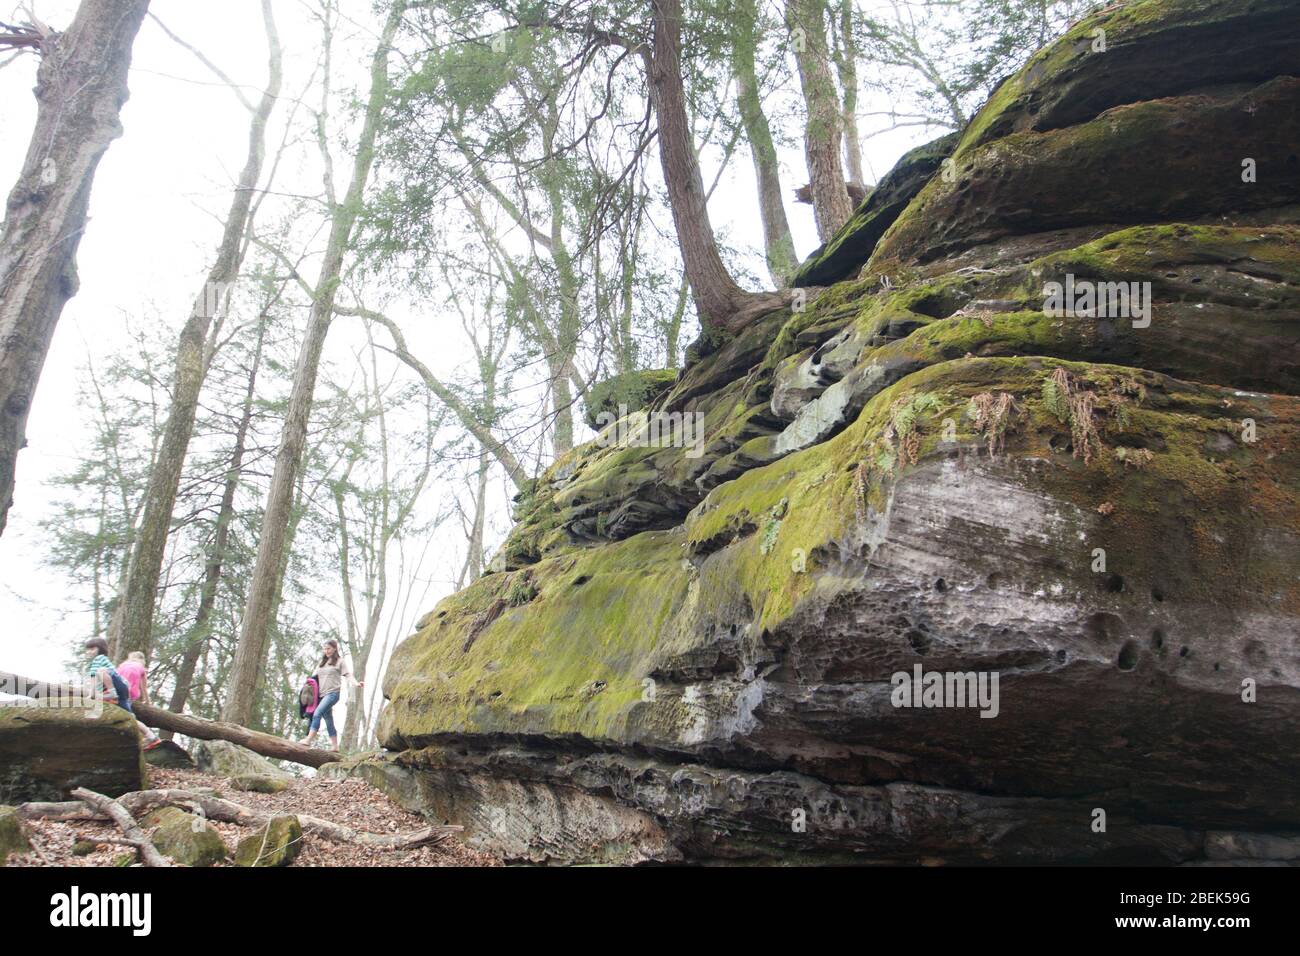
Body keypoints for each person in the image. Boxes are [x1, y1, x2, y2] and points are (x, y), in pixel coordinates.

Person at [84, 639, 161, 750]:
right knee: (130, 717)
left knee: (101, 671)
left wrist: (92, 695)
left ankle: (111, 694)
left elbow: (94, 678)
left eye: (92, 649)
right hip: (124, 692)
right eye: (88, 650)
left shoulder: (99, 659)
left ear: (100, 649)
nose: (89, 652)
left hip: (118, 688)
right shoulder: (131, 666)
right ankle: (152, 737)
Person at [300, 638, 362, 752]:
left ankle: (308, 739)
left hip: (333, 694)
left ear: (334, 649)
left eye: (328, 648)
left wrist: (356, 683)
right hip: (321, 695)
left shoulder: (340, 661)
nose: (326, 651)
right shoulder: (322, 663)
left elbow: (348, 675)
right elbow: (313, 677)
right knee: (328, 719)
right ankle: (335, 746)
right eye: (324, 649)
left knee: (317, 713)